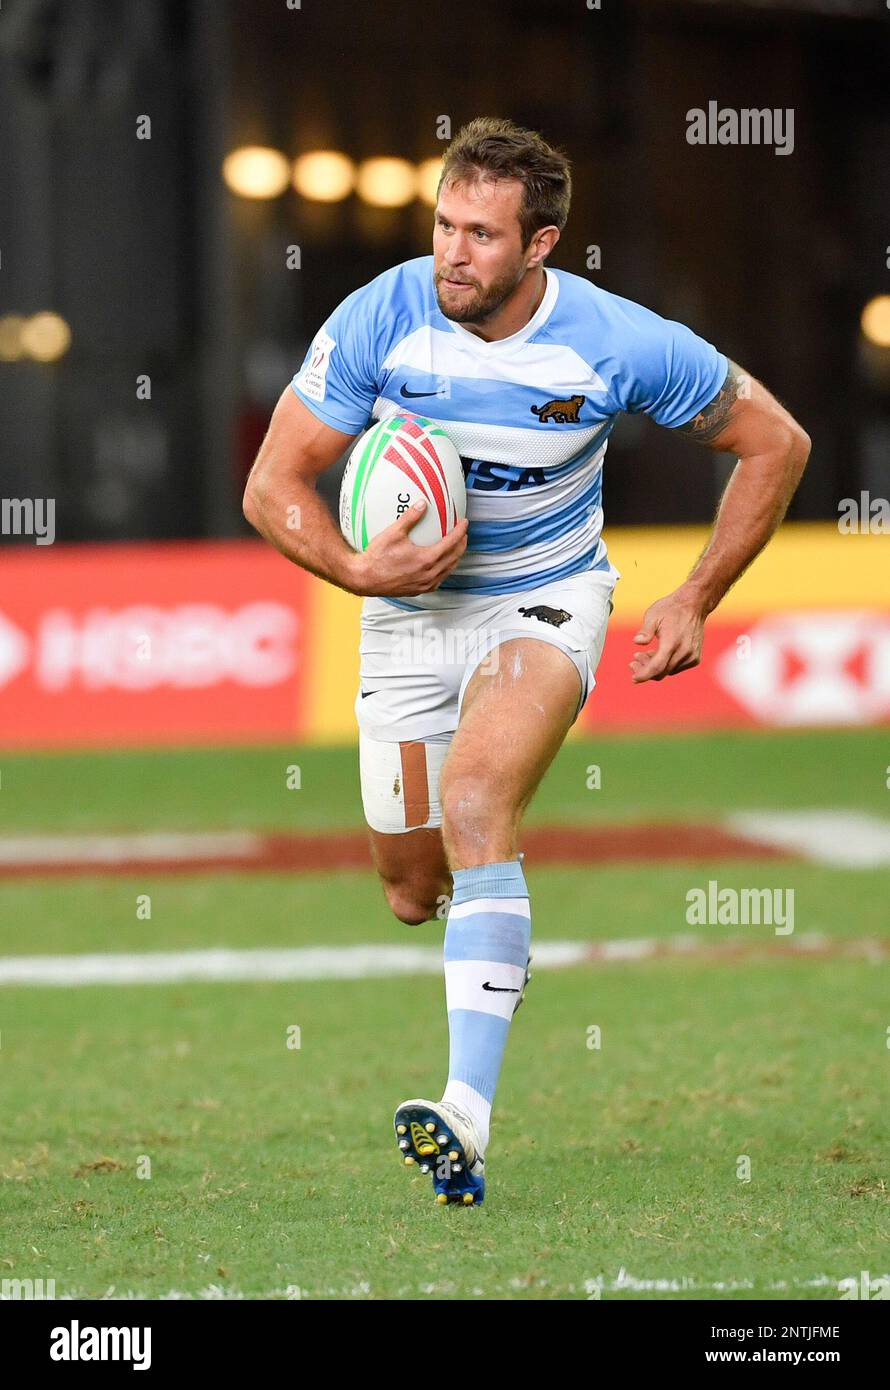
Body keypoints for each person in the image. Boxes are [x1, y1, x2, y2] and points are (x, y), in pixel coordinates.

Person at [243, 116, 810, 1206]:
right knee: (415, 890)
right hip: (404, 614)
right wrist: (359, 572)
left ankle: (465, 1109)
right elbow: (273, 484)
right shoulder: (382, 317)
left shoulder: (614, 343)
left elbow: (773, 441)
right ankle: (489, 917)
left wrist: (693, 593)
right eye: (444, 224)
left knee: (473, 801)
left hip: (541, 600)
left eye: (482, 236)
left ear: (540, 246)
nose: (452, 253)